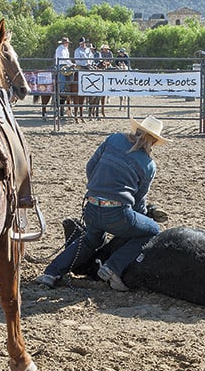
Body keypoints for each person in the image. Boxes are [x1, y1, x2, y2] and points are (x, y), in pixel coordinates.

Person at [33, 115, 171, 291]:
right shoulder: (148, 165)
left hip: (91, 206)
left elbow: (90, 166)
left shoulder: (115, 139)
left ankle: (51, 273)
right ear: (153, 142)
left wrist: (98, 188)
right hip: (118, 214)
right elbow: (138, 201)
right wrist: (141, 214)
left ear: (137, 130)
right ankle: (112, 267)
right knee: (152, 230)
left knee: (91, 239)